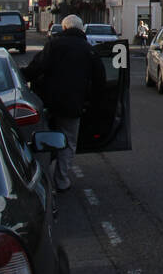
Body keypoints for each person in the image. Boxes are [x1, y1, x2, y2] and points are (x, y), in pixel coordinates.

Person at [24, 14, 106, 192]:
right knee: (68, 142)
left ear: (65, 28)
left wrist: (21, 80)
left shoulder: (54, 45)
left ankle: (40, 179)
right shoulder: (88, 49)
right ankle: (61, 180)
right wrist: (94, 103)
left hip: (49, 102)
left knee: (43, 140)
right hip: (73, 104)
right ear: (81, 29)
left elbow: (37, 67)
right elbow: (100, 79)